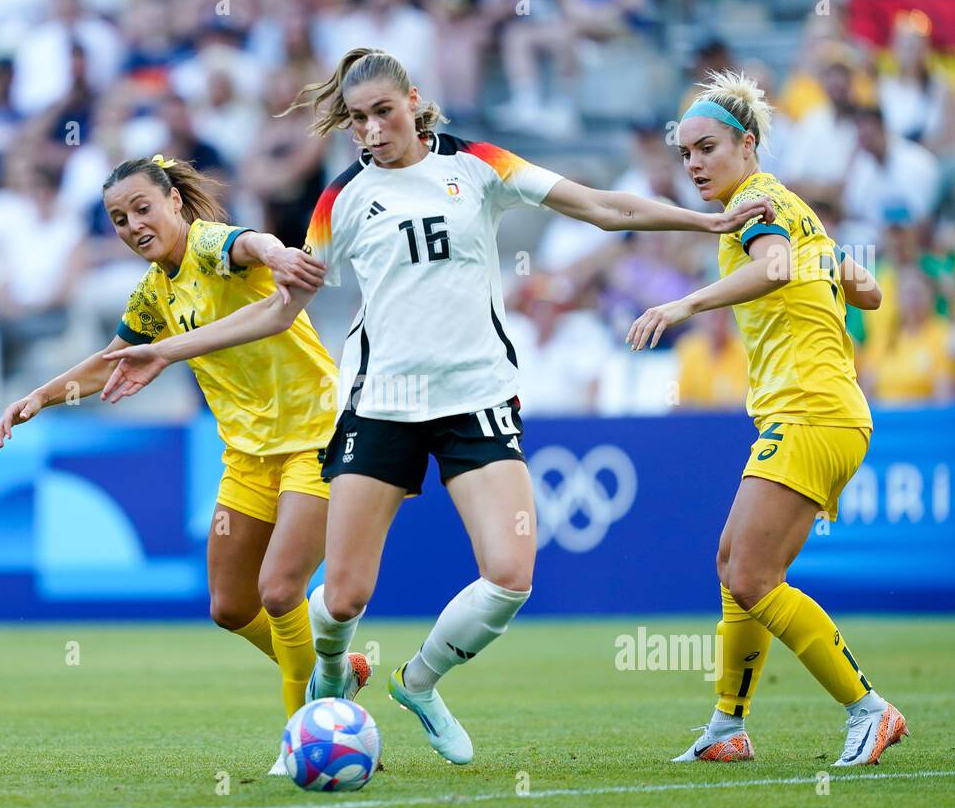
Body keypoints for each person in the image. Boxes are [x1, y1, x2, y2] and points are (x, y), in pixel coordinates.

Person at [107, 48, 775, 766]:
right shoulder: (343, 200)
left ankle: (419, 681)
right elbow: (278, 312)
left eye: (382, 113)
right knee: (341, 599)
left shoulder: (478, 164)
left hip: (476, 398)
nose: (370, 130)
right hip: (381, 404)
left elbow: (604, 207)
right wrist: (167, 351)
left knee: (512, 576)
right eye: (357, 120)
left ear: (414, 102)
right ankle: (331, 684)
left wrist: (703, 225)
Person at [0, 153, 369, 775]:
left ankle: (306, 736)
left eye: (143, 207)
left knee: (279, 591)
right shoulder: (153, 294)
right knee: (229, 605)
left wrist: (275, 254)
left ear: (173, 201)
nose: (134, 224)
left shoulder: (208, 244)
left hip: (317, 435)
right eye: (118, 219)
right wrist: (42, 395)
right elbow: (111, 360)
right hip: (248, 455)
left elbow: (249, 243)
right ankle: (337, 672)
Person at [626, 71, 908, 766]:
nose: (694, 163)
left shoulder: (757, 204)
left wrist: (683, 305)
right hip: (822, 414)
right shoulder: (791, 203)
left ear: (747, 145)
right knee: (735, 567)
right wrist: (856, 283)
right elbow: (861, 286)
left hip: (811, 414)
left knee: (751, 576)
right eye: (686, 151)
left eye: (708, 148)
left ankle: (869, 710)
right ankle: (728, 727)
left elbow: (777, 267)